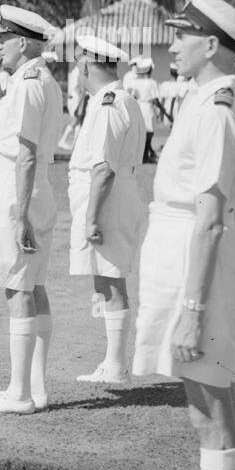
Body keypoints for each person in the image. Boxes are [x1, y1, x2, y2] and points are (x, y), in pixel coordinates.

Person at [132, 0, 235, 470]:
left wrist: (191, 309)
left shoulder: (218, 107)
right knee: (201, 396)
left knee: (209, 399)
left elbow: (209, 215)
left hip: (199, 259)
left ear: (210, 44)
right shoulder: (210, 98)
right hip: (187, 251)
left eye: (181, 35)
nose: (172, 45)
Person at [0, 5, 64, 416]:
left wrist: (20, 213)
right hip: (36, 184)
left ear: (22, 42)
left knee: (17, 287)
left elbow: (23, 153)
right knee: (33, 285)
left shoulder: (26, 83)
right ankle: (35, 389)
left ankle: (19, 392)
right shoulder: (41, 78)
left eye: (3, 40)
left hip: (17, 185)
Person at [68, 35, 145, 384]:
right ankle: (113, 362)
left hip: (109, 200)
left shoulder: (109, 102)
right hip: (114, 196)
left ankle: (116, 366)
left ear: (85, 65)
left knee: (112, 280)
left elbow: (103, 168)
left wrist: (92, 217)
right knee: (106, 279)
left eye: (77, 64)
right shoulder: (114, 99)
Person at [130, 56, 160, 163]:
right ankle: (145, 156)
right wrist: (163, 111)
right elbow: (155, 100)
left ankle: (143, 156)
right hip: (147, 108)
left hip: (138, 107)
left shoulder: (134, 82)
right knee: (149, 133)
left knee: (141, 132)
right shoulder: (152, 82)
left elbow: (133, 96)